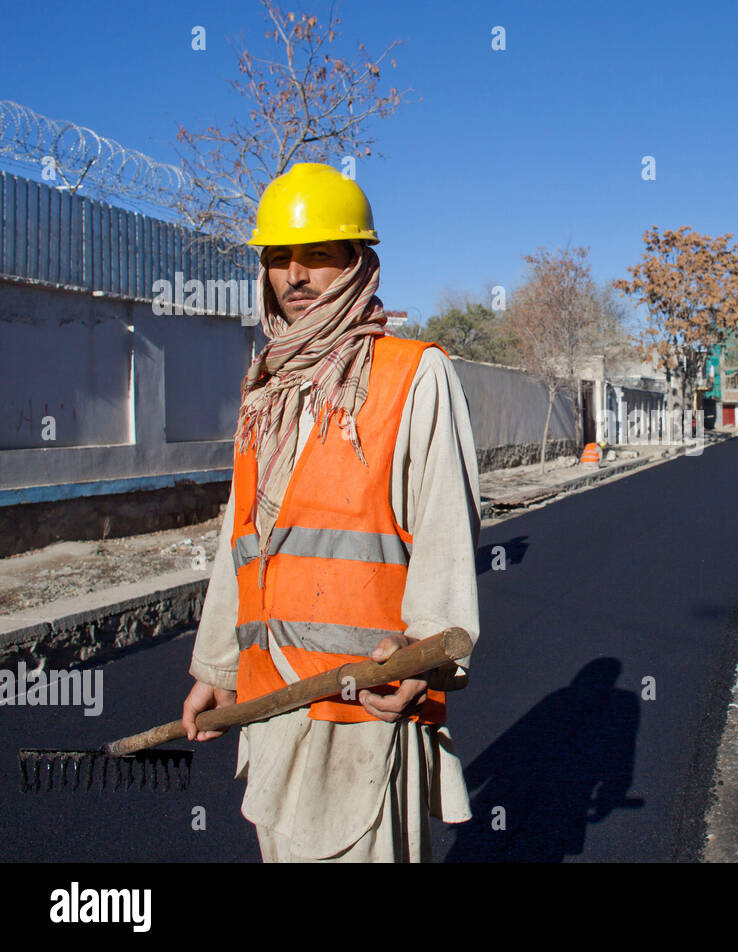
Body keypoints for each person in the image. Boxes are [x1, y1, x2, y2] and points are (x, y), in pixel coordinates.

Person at [179, 163, 481, 862]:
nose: (295, 275)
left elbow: (445, 530)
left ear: (356, 263)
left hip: (365, 702)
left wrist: (427, 655)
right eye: (279, 257)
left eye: (317, 254)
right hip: (271, 706)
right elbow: (243, 537)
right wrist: (216, 668)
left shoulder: (413, 374)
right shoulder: (266, 390)